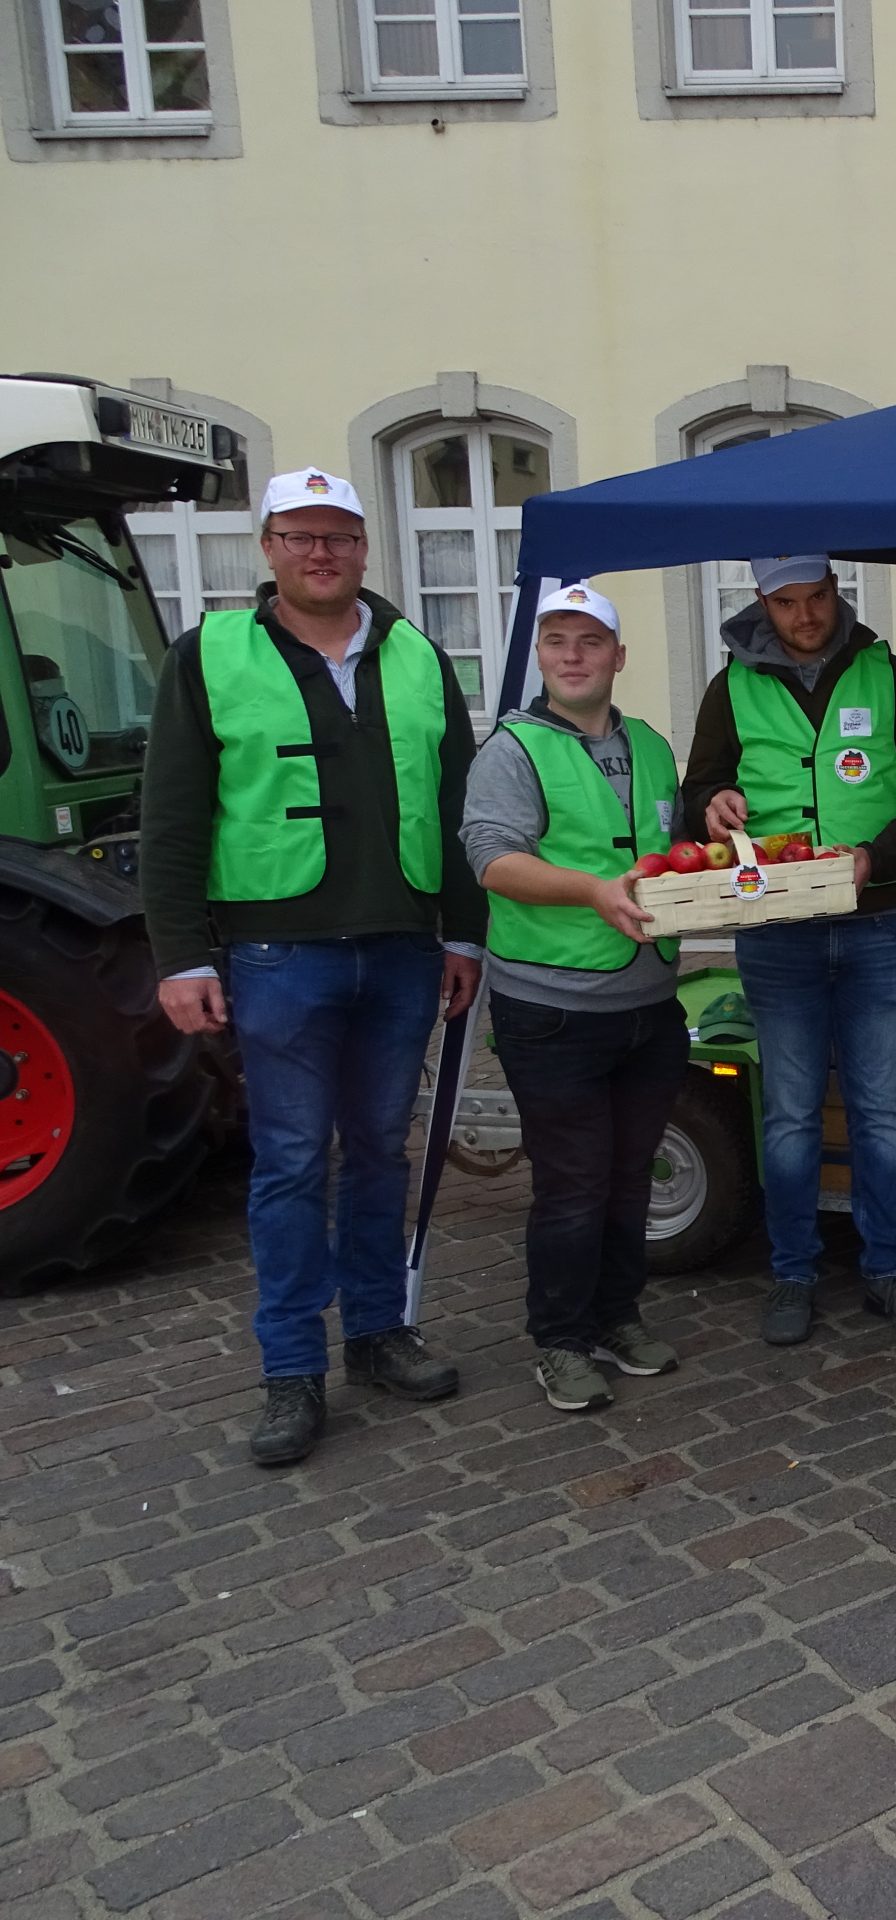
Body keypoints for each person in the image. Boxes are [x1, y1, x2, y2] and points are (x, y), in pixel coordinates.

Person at [142, 467, 484, 1467]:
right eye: (300, 535)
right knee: (291, 1162)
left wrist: (463, 934)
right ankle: (291, 1368)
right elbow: (172, 821)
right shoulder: (209, 655)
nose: (320, 551)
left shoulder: (415, 653)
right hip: (275, 952)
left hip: (401, 946)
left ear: (364, 547)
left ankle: (378, 1332)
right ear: (269, 548)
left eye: (337, 534)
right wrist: (179, 955)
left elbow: (458, 804)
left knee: (380, 1147)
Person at [681, 557, 896, 1347]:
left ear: (835, 594)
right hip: (777, 932)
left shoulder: (888, 674)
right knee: (790, 1117)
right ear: (761, 604)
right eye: (786, 603)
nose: (805, 617)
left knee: (880, 1113)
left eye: (816, 598)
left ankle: (888, 1268)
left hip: (878, 923)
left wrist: (881, 854)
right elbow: (694, 793)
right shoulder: (730, 687)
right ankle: (793, 1274)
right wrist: (711, 805)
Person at [463, 583, 690, 1413]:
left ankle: (617, 1316)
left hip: (649, 1004)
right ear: (540, 655)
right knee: (573, 1183)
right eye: (556, 640)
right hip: (552, 1009)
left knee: (631, 1175)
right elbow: (492, 859)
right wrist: (594, 892)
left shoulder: (655, 747)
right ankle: (560, 1340)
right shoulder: (513, 750)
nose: (572, 654)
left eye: (589, 642)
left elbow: (669, 852)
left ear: (617, 657)